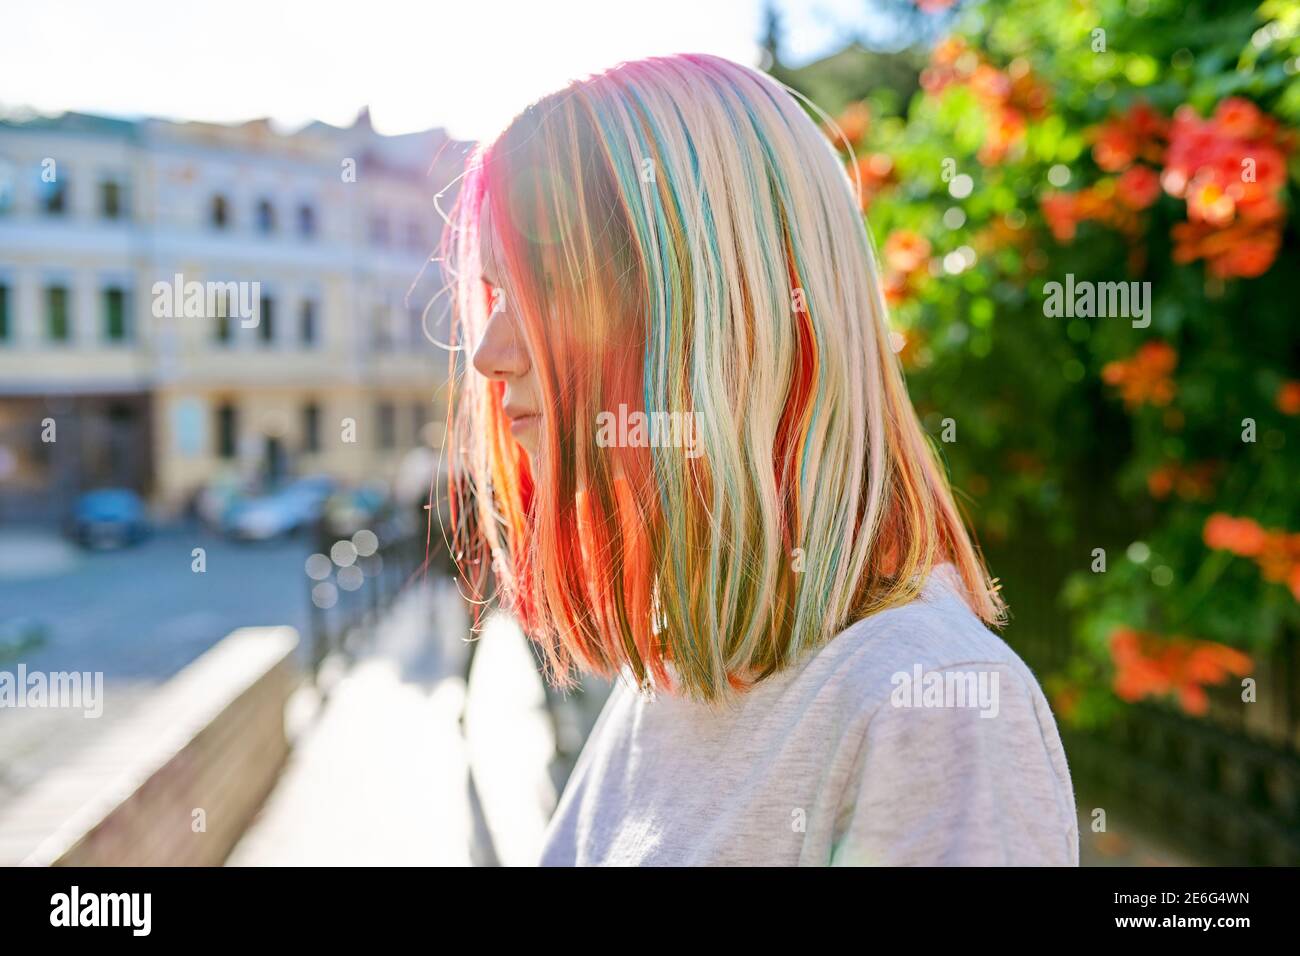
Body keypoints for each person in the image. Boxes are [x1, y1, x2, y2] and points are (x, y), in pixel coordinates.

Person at [443, 53, 1078, 866]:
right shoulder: (678, 675)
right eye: (494, 295)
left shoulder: (930, 708)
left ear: (717, 311)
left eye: (544, 290)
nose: (490, 353)